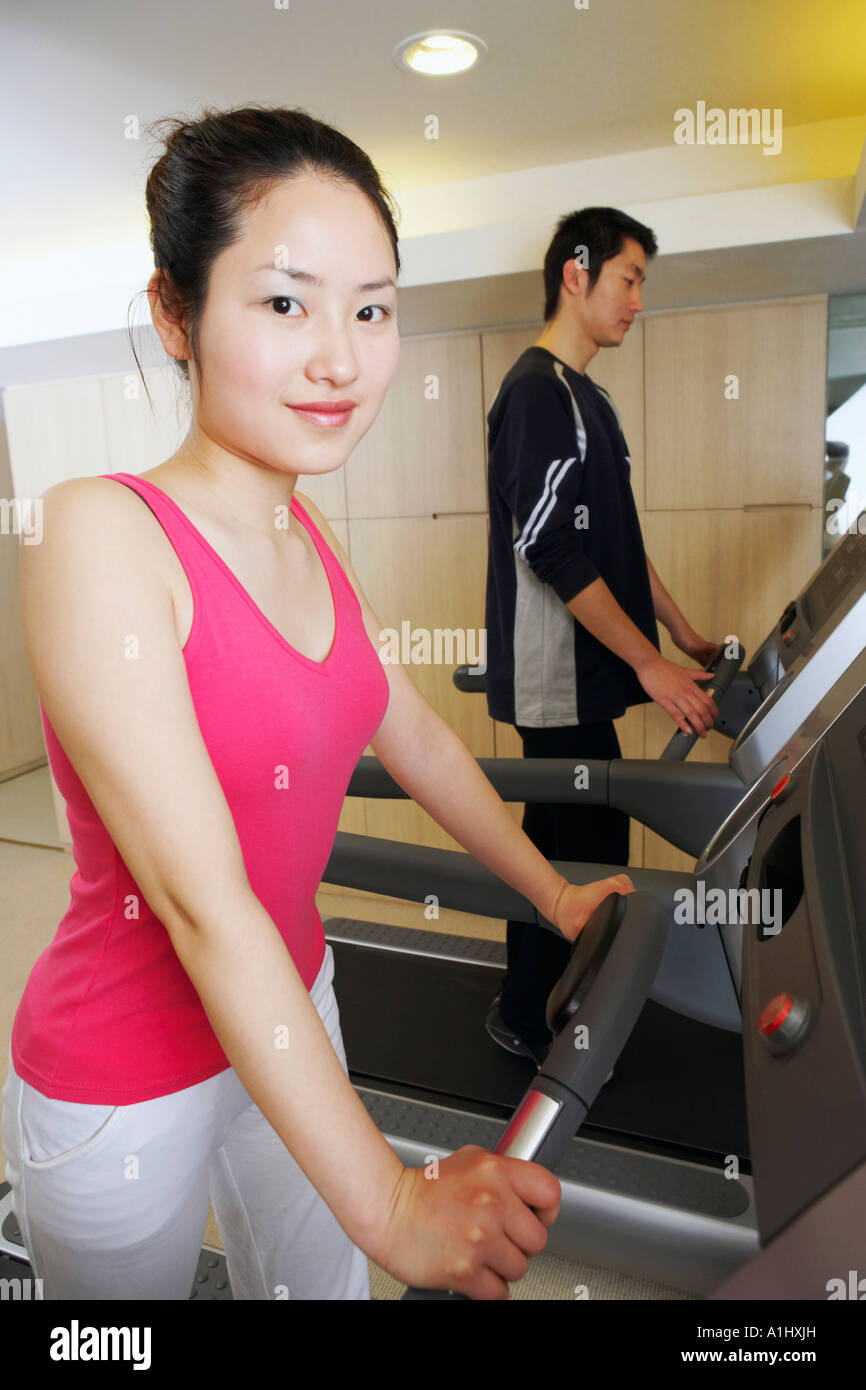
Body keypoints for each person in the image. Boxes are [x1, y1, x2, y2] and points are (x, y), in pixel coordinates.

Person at [1, 106, 634, 1303]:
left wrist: (551, 892)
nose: (341, 357)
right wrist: (390, 1197)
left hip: (297, 1008)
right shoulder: (98, 531)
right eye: (286, 302)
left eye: (372, 307)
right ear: (175, 314)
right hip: (124, 1071)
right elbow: (200, 904)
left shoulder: (308, 536)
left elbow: (419, 740)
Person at [483, 206, 719, 1066]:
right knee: (577, 858)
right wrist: (648, 664)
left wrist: (682, 634)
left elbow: (618, 547)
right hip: (557, 679)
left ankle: (535, 1009)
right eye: (629, 278)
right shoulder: (536, 391)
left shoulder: (593, 401)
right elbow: (548, 546)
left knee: (570, 849)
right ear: (576, 273)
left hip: (591, 676)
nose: (637, 301)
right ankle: (537, 1016)